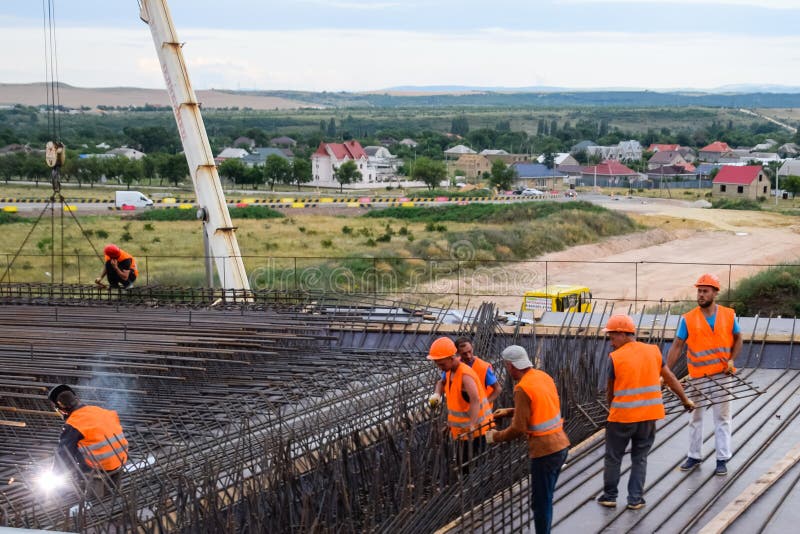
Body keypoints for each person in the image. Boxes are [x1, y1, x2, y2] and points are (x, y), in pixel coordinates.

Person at [596, 315, 695, 510]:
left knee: (613, 457)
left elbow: (610, 391)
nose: (610, 341)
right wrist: (685, 400)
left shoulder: (615, 358)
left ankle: (609, 496)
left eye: (612, 336)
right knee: (639, 458)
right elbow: (671, 378)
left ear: (624, 334)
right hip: (648, 418)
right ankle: (635, 499)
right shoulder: (653, 351)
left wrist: (611, 410)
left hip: (622, 418)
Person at [485, 345, 569, 534]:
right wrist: (510, 411)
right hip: (561, 445)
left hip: (545, 452)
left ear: (511, 365)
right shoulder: (542, 377)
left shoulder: (522, 388)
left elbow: (518, 429)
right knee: (545, 499)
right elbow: (540, 407)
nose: (508, 371)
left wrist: (495, 436)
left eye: (507, 367)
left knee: (540, 504)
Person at [667, 273, 743, 476]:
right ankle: (694, 455)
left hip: (721, 375)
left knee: (722, 418)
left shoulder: (728, 315)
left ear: (715, 293)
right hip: (697, 376)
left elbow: (738, 339)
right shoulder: (688, 319)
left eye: (705, 291)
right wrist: (665, 372)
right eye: (699, 291)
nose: (700, 295)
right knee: (695, 417)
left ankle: (722, 459)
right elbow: (677, 346)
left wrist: (732, 359)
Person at [48, 384, 128, 496]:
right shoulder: (100, 410)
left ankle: (87, 493)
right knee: (83, 441)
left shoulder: (73, 424)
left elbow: (63, 455)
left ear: (62, 410)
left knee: (72, 451)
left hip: (100, 467)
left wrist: (54, 479)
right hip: (120, 460)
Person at [427, 336, 493, 466]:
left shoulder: (465, 375)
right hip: (462, 433)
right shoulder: (449, 371)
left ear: (452, 358)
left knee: (473, 469)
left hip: (477, 433)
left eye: (441, 364)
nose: (440, 367)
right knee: (463, 467)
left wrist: (472, 427)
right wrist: (437, 394)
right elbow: (443, 385)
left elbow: (475, 400)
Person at [428, 336, 502, 409]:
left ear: (472, 347)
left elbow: (497, 389)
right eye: (464, 353)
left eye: (470, 351)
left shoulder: (483, 367)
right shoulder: (451, 366)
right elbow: (442, 382)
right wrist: (437, 394)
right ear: (457, 353)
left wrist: (484, 404)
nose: (469, 356)